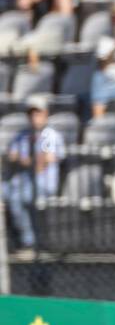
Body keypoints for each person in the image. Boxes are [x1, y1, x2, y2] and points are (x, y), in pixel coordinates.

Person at [4, 100, 65, 255]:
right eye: (32, 114)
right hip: (21, 180)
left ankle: (28, 242)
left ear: (45, 115)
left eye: (38, 114)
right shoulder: (23, 135)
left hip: (42, 182)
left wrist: (26, 159)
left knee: (18, 198)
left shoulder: (50, 135)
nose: (34, 118)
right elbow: (11, 155)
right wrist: (26, 159)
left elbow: (44, 162)